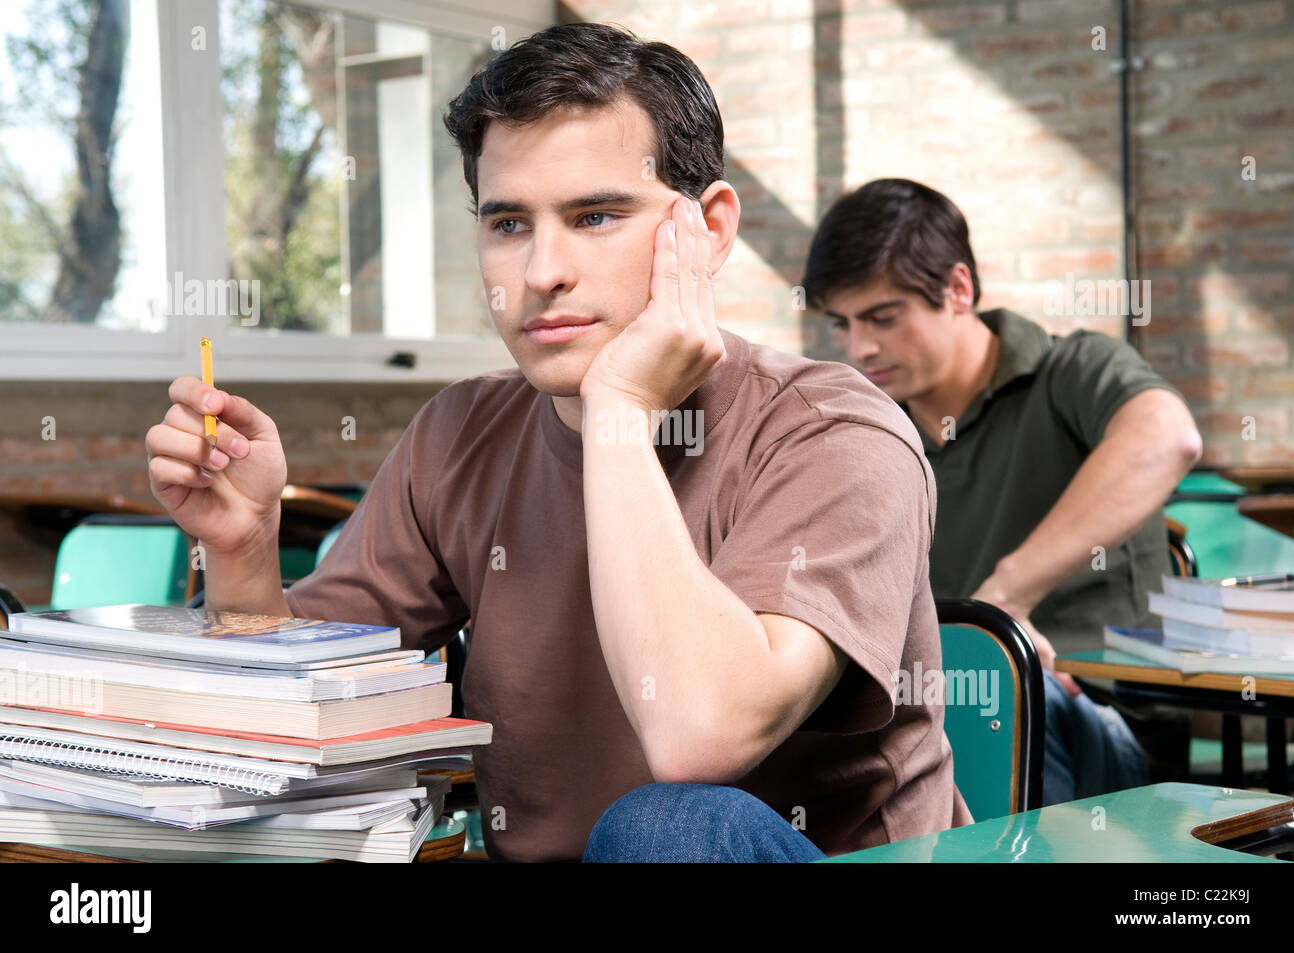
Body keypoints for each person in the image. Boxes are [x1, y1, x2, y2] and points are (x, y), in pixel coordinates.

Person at [144, 25, 971, 862]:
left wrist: (618, 410)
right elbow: (297, 722)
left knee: (675, 826)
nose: (543, 271)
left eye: (595, 215)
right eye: (508, 223)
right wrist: (246, 553)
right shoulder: (459, 433)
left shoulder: (836, 433)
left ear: (711, 230)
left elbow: (701, 738)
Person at [801, 178, 1203, 804]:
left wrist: (1003, 602)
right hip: (934, 726)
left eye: (883, 317)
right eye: (844, 324)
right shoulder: (874, 430)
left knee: (999, 689)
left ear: (958, 289)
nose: (862, 348)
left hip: (1099, 734)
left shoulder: (1073, 373)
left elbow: (1168, 437)